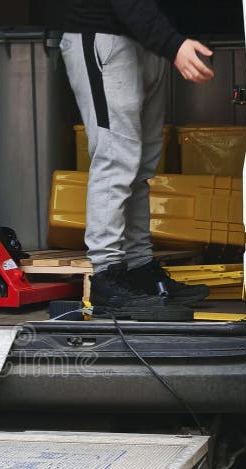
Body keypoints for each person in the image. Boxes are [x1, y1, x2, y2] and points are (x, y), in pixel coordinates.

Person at [61, 0, 216, 320]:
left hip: (148, 41)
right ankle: (107, 277)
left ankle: (139, 268)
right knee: (115, 159)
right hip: (105, 35)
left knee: (140, 167)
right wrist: (174, 44)